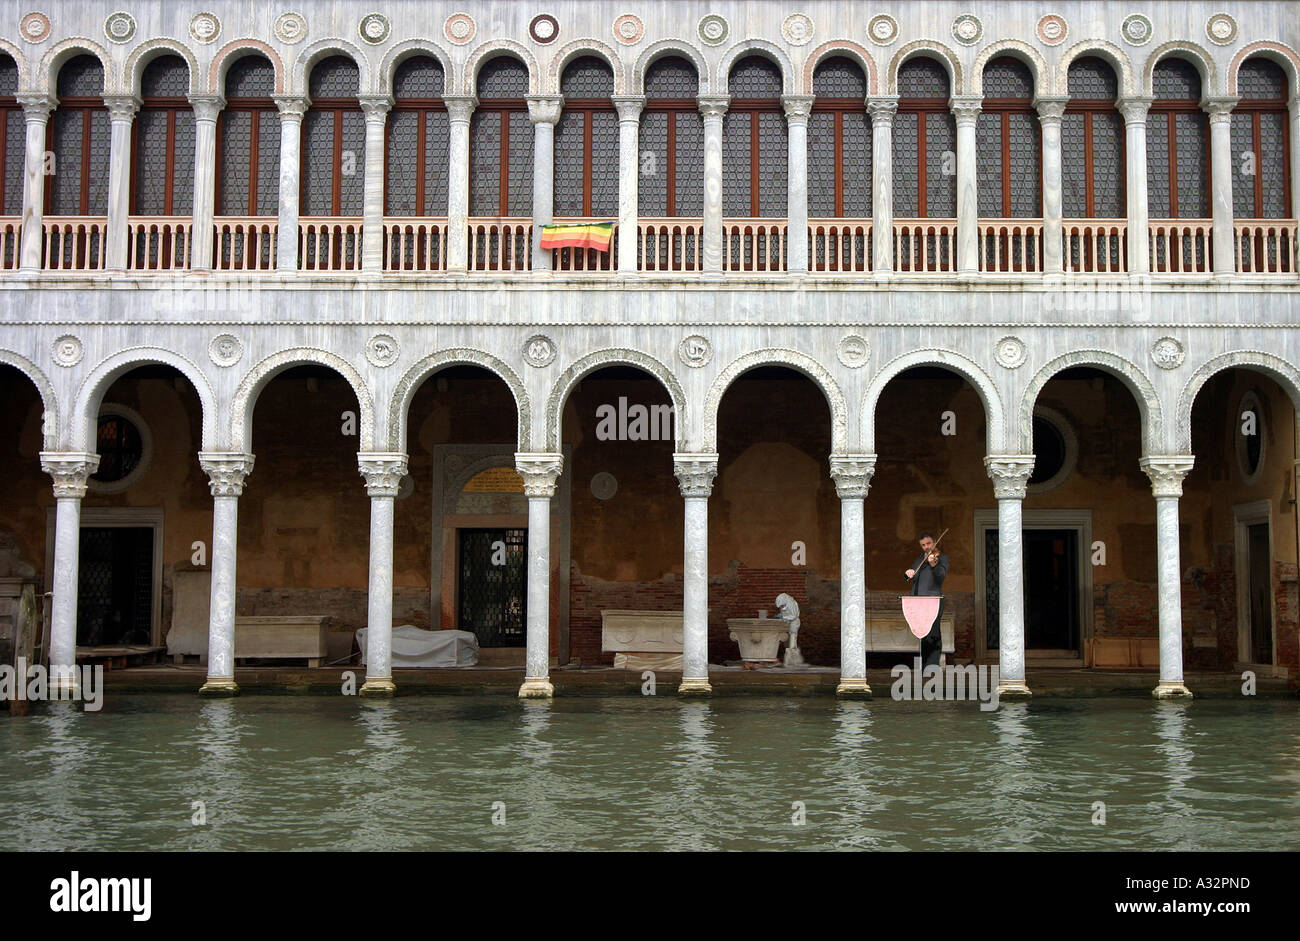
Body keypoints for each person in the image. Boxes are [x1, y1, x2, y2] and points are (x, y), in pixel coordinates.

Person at [905, 531, 948, 668]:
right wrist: (909, 573)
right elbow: (912, 576)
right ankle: (925, 667)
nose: (926, 547)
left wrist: (934, 565)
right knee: (923, 633)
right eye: (923, 545)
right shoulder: (919, 559)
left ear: (935, 542)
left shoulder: (942, 558)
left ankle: (933, 667)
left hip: (933, 601)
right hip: (919, 601)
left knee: (933, 633)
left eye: (928, 543)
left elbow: (941, 577)